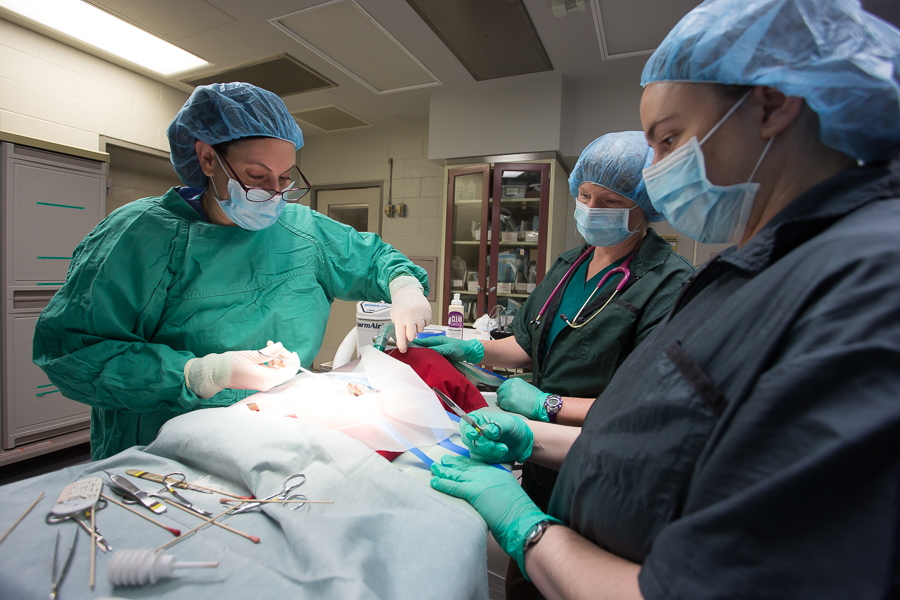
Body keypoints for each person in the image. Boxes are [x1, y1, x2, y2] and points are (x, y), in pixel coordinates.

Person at [429, 1, 900, 598]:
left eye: (669, 139)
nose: (654, 172)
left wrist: (531, 528)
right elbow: (669, 435)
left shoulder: (865, 283)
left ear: (773, 104)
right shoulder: (756, 269)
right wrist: (533, 437)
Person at [33, 82, 432, 461]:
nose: (275, 192)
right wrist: (202, 373)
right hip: (160, 453)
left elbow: (375, 258)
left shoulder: (303, 231)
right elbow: (73, 353)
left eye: (285, 178)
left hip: (276, 434)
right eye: (257, 177)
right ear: (208, 158)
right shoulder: (139, 235)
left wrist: (404, 286)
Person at [414, 132, 694, 592]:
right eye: (585, 195)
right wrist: (471, 347)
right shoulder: (570, 263)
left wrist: (549, 406)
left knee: (575, 575)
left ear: (648, 205)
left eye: (610, 201)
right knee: (526, 577)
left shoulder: (670, 284)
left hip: (604, 463)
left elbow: (648, 407)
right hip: (539, 457)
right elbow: (525, 342)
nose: (591, 208)